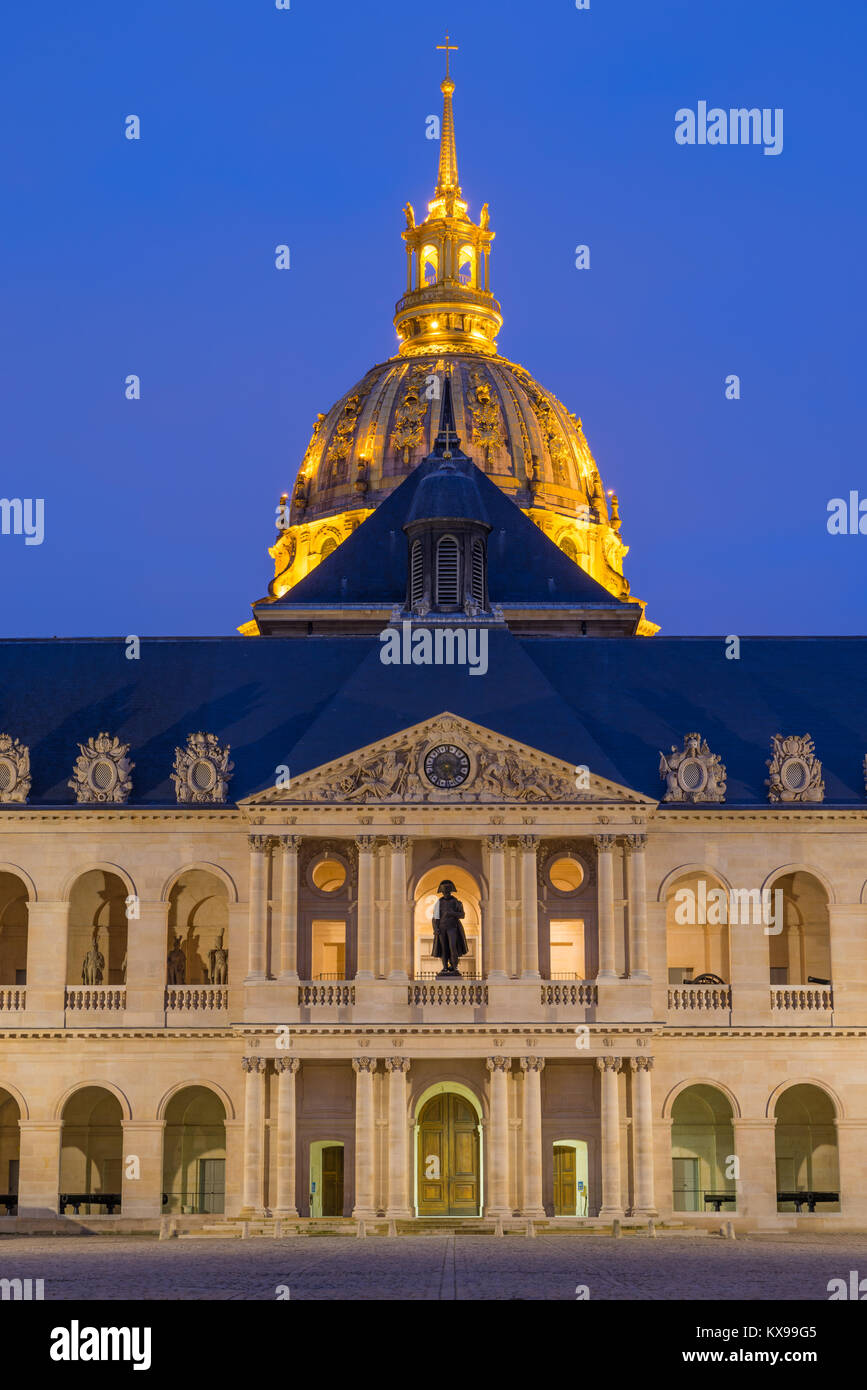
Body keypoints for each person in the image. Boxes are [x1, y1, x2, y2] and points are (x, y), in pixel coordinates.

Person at [432, 880, 468, 977]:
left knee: (453, 947)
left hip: (453, 927)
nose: (446, 894)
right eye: (444, 892)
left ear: (450, 892)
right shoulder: (439, 902)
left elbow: (462, 915)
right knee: (444, 948)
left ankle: (454, 967)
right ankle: (444, 967)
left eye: (447, 892)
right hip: (442, 928)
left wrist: (452, 913)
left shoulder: (456, 902)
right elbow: (435, 917)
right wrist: (435, 929)